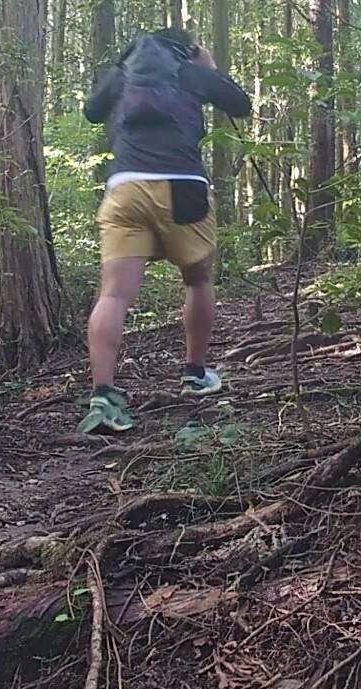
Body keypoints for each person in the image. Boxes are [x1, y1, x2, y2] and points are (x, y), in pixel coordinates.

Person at [78, 27, 251, 434]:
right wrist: (209, 69)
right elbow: (239, 104)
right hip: (183, 186)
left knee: (114, 293)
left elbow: (91, 110)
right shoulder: (189, 72)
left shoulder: (123, 75)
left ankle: (103, 395)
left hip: (124, 188)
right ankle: (195, 373)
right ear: (186, 52)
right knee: (197, 279)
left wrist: (120, 75)